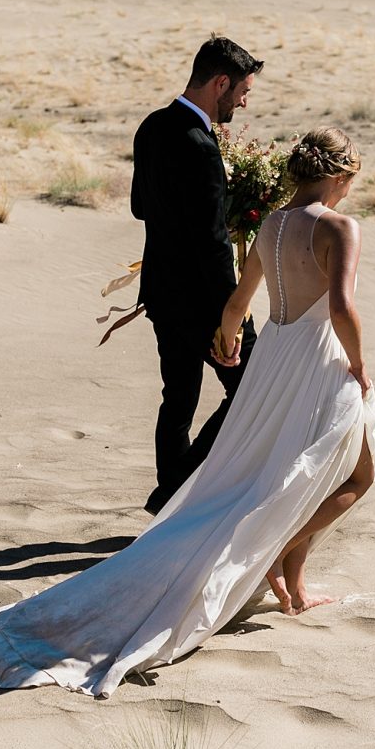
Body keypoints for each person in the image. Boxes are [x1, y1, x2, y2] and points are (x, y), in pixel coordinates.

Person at [0, 128, 375, 700]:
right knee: (359, 474)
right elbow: (341, 307)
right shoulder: (339, 227)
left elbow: (241, 298)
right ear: (340, 176)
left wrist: (229, 337)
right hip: (318, 359)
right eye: (350, 183)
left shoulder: (272, 224)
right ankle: (281, 544)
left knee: (274, 468)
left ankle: (293, 577)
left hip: (275, 359)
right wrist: (360, 367)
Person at [130, 36, 263, 516]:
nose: (245, 101)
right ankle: (177, 492)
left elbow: (139, 206)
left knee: (178, 398)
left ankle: (169, 509)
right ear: (221, 82)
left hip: (162, 295)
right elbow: (211, 244)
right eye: (243, 90)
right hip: (207, 303)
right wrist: (234, 314)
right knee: (255, 389)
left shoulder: (152, 127)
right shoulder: (201, 147)